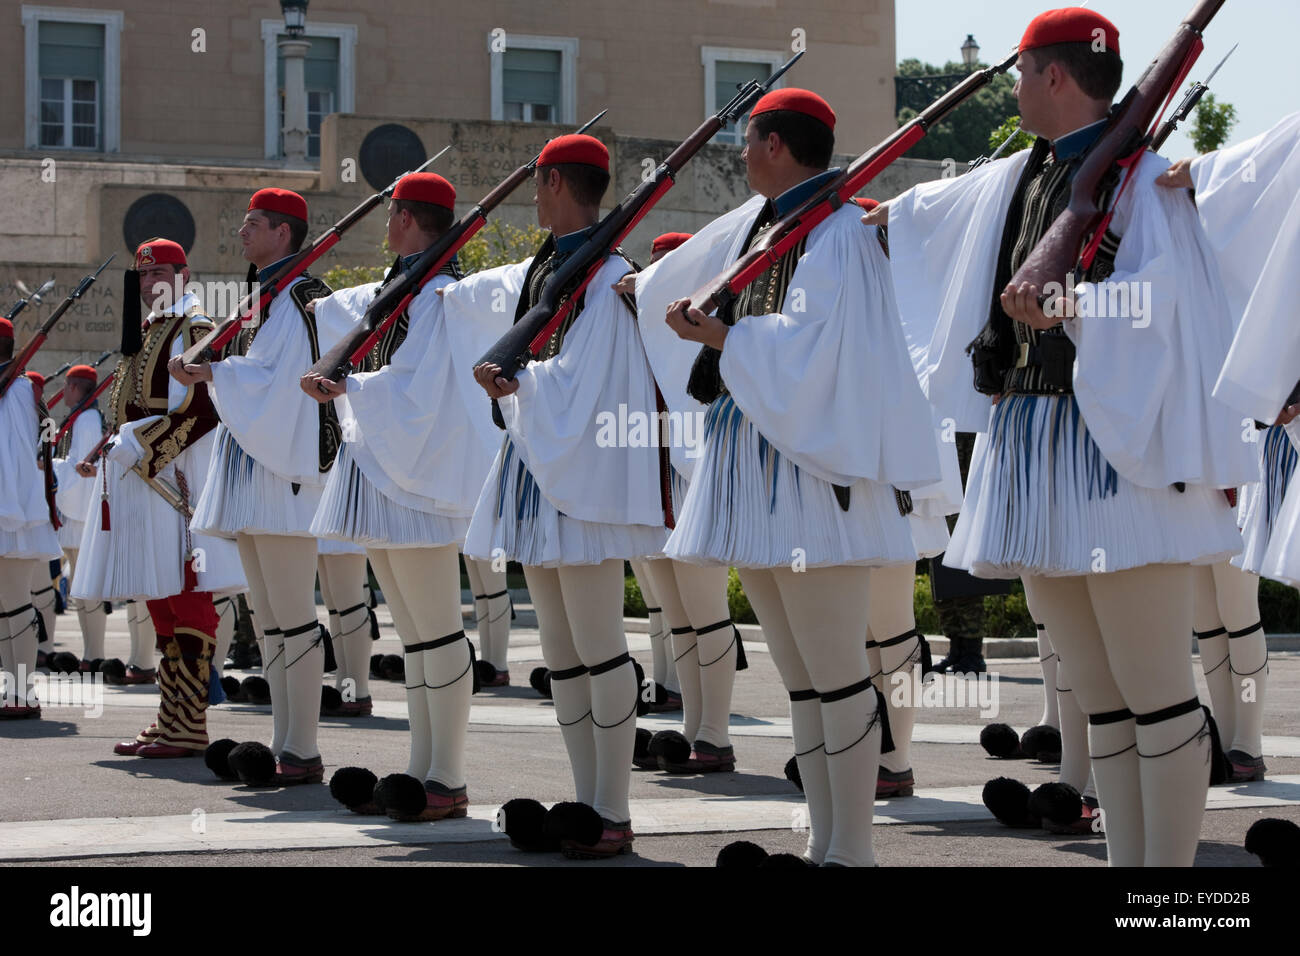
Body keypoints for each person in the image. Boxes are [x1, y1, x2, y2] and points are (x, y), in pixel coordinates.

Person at [876, 8, 1254, 865]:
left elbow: (1170, 313)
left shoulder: (1141, 181)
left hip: (1119, 454)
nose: (1011, 88)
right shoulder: (1033, 178)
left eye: (1019, 74)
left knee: (1155, 695)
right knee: (1101, 692)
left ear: (1052, 77)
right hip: (1037, 440)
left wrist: (1076, 306)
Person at [636, 89, 941, 866]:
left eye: (748, 142)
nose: (740, 155)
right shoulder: (772, 229)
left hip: (813, 473)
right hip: (762, 462)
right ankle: (825, 843)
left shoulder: (833, 234)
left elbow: (816, 352)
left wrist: (723, 333)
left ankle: (854, 852)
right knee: (805, 680)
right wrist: (713, 332)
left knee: (837, 677)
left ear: (775, 146)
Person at [449, 133, 669, 857]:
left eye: (537, 184)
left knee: (600, 646)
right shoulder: (551, 267)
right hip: (536, 462)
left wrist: (522, 382)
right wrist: (508, 381)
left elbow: (594, 378)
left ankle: (613, 808)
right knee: (561, 649)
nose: (531, 195)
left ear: (552, 182)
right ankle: (584, 802)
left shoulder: (608, 276)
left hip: (583, 473)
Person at [305, 171, 484, 816]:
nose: (385, 226)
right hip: (385, 472)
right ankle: (420, 766)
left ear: (407, 219)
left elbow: (420, 388)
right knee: (413, 634)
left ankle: (450, 774)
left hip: (420, 478)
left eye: (391, 215)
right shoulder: (403, 287)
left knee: (437, 631)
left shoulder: (437, 294)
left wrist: (351, 388)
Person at [172, 189, 337, 784]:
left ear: (283, 233)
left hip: (284, 471)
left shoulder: (298, 298)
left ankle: (304, 747)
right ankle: (284, 740)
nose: (242, 232)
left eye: (253, 224)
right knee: (268, 615)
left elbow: (277, 380)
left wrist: (214, 369)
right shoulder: (264, 296)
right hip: (252, 470)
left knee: (293, 614)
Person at [73, 238, 245, 756]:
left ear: (184, 275)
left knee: (187, 599)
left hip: (174, 483)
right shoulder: (149, 333)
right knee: (159, 601)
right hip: (142, 483)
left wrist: (140, 447)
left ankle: (189, 726)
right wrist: (115, 444)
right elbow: (129, 412)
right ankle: (171, 720)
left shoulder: (194, 330)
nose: (150, 283)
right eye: (143, 276)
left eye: (160, 274)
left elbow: (201, 412)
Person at [0, 319, 61, 718]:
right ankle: (11, 690)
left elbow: (16, 456)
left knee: (17, 601)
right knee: (4, 605)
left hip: (12, 512)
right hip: (10, 509)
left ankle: (24, 693)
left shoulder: (18, 389)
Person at [51, 364, 106, 665]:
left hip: (83, 514)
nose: (63, 392)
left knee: (87, 587)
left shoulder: (85, 420)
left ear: (74, 387)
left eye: (66, 386)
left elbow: (78, 468)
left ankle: (95, 654)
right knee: (79, 588)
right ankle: (90, 653)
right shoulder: (81, 418)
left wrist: (47, 465)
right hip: (77, 516)